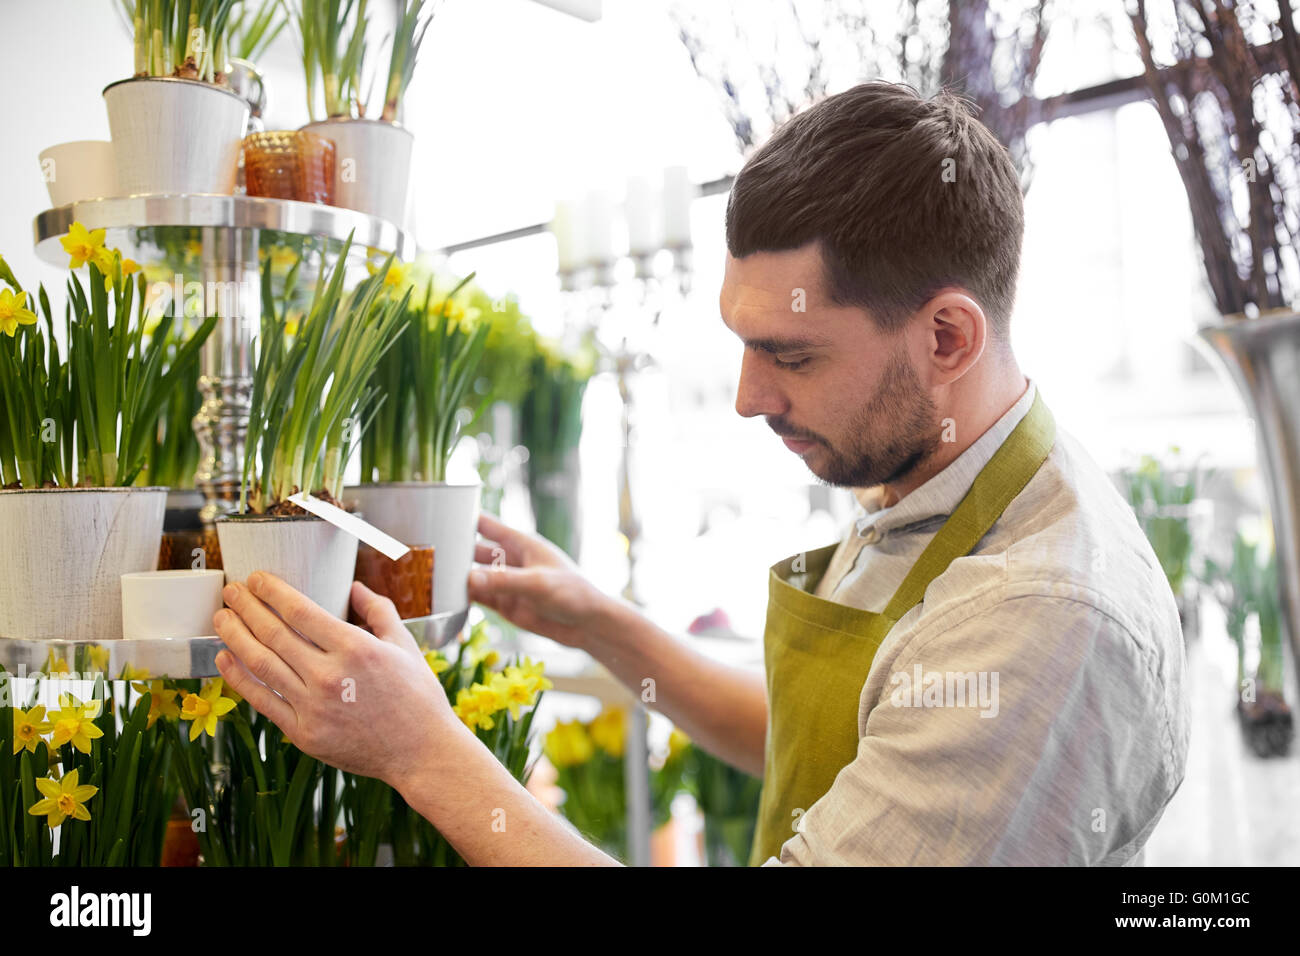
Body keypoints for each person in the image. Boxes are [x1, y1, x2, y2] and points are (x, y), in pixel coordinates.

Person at [214, 81, 1189, 866]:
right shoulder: (929, 477)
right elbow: (839, 748)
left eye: (791, 354)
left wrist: (420, 751)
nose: (747, 396)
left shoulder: (1039, 616)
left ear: (945, 336)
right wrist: (592, 618)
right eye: (741, 345)